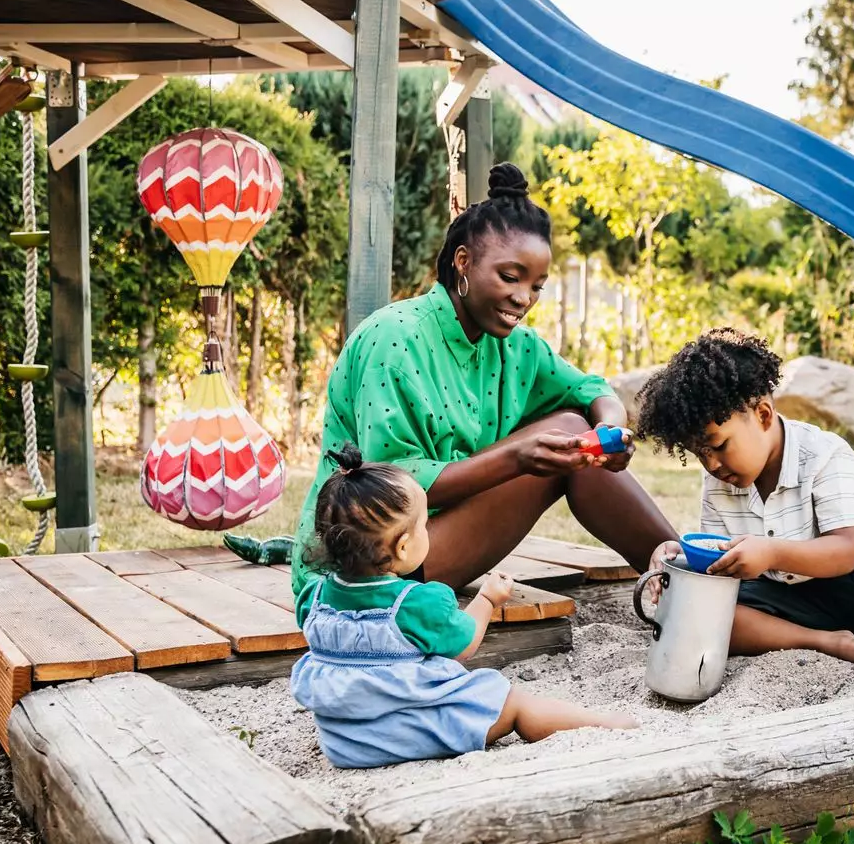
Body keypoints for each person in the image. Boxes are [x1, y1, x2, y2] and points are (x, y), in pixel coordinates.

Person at [289, 162, 676, 596]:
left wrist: (609, 427)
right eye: (510, 277)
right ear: (463, 262)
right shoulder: (396, 340)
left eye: (537, 287)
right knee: (567, 430)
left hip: (430, 541)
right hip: (367, 564)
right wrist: (517, 459)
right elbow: (388, 493)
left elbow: (589, 390)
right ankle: (688, 581)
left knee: (574, 427)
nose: (523, 298)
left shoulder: (516, 346)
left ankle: (680, 571)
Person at [634, 329, 854, 683]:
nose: (711, 465)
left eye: (719, 446)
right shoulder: (718, 484)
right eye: (699, 455)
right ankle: (826, 643)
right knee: (701, 611)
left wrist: (771, 552)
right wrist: (680, 557)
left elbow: (847, 551)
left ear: (764, 415)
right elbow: (718, 567)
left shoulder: (822, 453)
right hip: (795, 611)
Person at [289, 444, 635, 768]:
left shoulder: (314, 597)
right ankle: (602, 724)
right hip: (412, 732)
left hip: (346, 744)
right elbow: (463, 645)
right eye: (424, 524)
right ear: (405, 547)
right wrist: (486, 599)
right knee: (511, 702)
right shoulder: (416, 603)